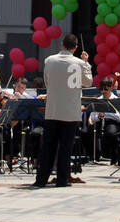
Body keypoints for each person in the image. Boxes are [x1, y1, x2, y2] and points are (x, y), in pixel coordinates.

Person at [32, 34, 92, 188]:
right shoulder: (79, 63)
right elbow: (88, 82)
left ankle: (41, 178)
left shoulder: (49, 60)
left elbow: (47, 82)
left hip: (53, 109)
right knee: (66, 147)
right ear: (76, 48)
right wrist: (86, 63)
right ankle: (62, 179)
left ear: (62, 45)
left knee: (48, 146)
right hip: (70, 111)